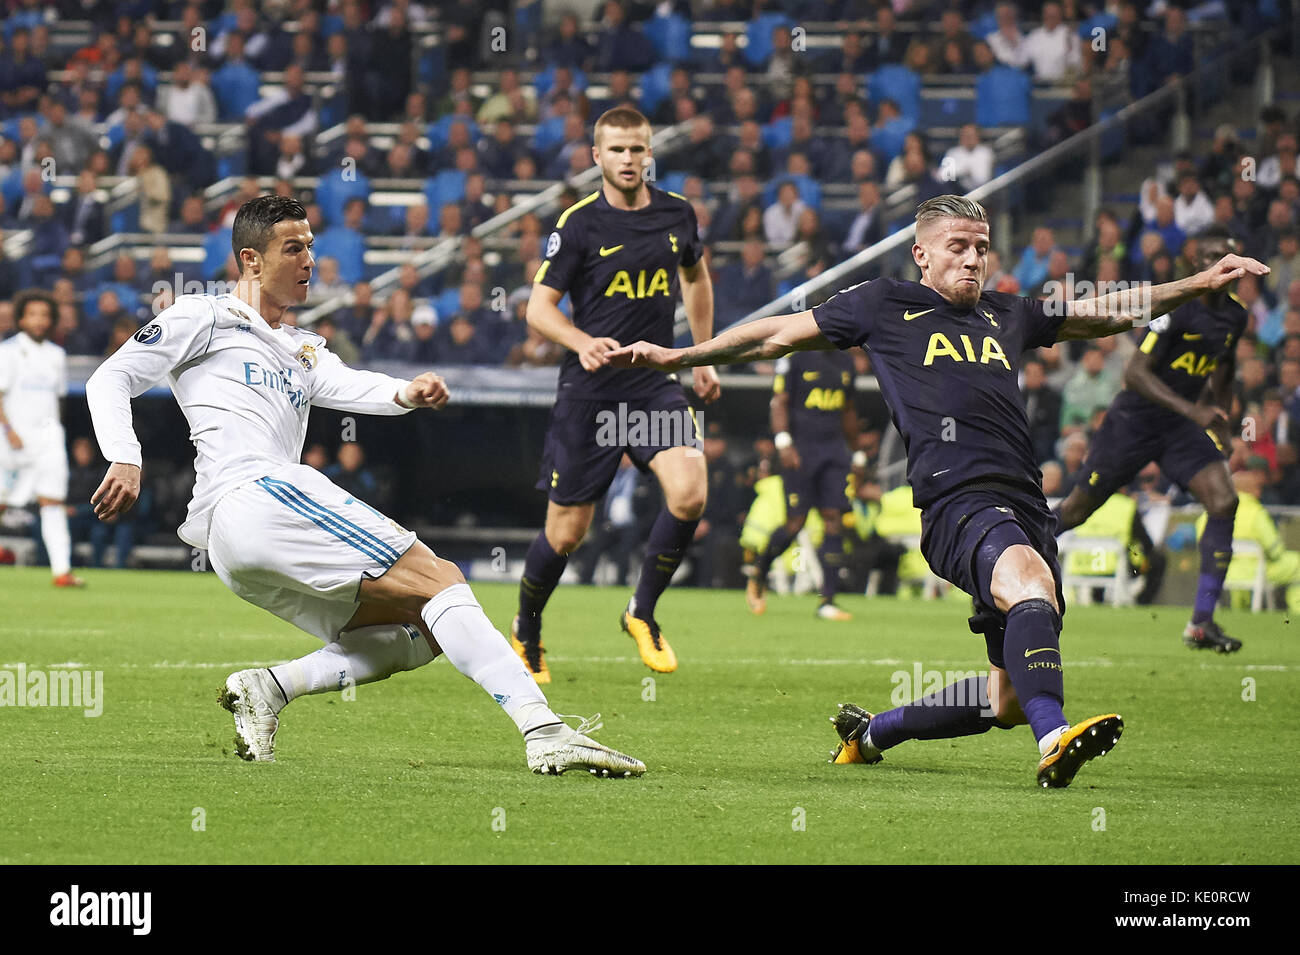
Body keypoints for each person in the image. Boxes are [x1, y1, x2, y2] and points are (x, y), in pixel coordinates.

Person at [610, 194, 1268, 788]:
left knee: (1006, 696)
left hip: (1025, 505)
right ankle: (1054, 740)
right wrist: (682, 357)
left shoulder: (1007, 313)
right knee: (1030, 583)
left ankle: (872, 734)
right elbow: (777, 335)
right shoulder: (884, 304)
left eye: (982, 247)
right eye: (959, 245)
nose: (974, 258)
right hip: (959, 501)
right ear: (920, 253)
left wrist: (1198, 284)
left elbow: (1104, 315)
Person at [84, 195, 644, 777]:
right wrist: (125, 458)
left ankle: (270, 687)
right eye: (292, 248)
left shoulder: (300, 348)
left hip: (240, 545)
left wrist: (408, 393)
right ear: (250, 260)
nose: (309, 261)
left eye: (311, 246)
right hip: (256, 494)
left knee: (421, 628)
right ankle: (545, 731)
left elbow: (353, 387)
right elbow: (112, 377)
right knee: (442, 580)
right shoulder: (204, 316)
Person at [513, 106, 720, 681]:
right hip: (591, 394)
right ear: (596, 157)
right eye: (619, 150)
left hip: (653, 385)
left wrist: (701, 355)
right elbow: (537, 308)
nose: (630, 159)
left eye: (639, 149)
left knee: (689, 493)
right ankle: (527, 628)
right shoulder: (578, 225)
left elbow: (696, 277)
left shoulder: (678, 214)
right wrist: (580, 342)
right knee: (567, 533)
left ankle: (641, 611)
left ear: (650, 153)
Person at [1053, 227, 1247, 653]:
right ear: (1196, 265)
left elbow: (1224, 368)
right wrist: (1194, 410)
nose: (1220, 262)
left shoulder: (1235, 316)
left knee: (1223, 500)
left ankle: (1202, 623)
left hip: (1179, 429)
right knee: (1076, 510)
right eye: (1211, 256)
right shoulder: (1177, 309)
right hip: (1133, 422)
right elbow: (1135, 374)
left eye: (1227, 256)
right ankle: (1003, 569)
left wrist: (1223, 423)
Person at [745, 349, 859, 621]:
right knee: (795, 523)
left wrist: (857, 453)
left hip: (833, 452)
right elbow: (780, 401)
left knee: (834, 519)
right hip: (800, 452)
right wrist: (783, 442)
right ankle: (759, 572)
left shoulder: (845, 361)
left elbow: (848, 409)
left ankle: (827, 600)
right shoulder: (796, 358)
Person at [0, 289, 82, 587]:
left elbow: (58, 399)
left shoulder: (57, 355)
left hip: (48, 442)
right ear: (21, 318)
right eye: (32, 314)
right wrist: (9, 430)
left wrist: (54, 433)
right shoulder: (7, 351)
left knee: (53, 503)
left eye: (45, 315)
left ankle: (61, 571)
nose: (39, 320)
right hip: (12, 439)